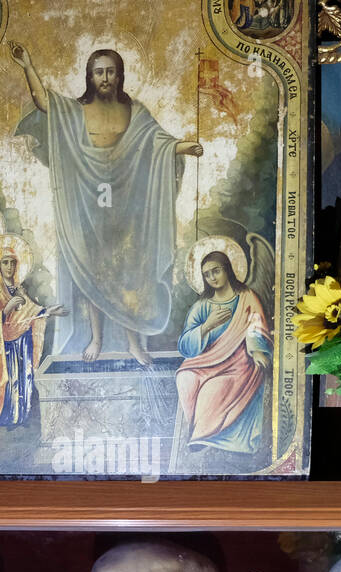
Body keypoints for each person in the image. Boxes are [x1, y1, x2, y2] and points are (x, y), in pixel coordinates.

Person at [10, 43, 204, 365]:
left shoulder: (134, 111)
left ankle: (133, 344)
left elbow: (155, 142)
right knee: (93, 273)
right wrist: (28, 64)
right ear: (90, 76)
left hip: (126, 205)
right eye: (98, 72)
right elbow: (44, 103)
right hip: (88, 204)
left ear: (120, 76)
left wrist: (183, 148)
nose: (105, 77)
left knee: (130, 273)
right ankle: (96, 338)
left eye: (110, 71)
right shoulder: (76, 110)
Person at [176, 251, 271, 454]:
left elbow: (255, 324)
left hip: (239, 362)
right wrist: (206, 326)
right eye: (207, 274)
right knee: (185, 377)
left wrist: (256, 351)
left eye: (216, 271)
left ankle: (202, 436)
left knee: (213, 389)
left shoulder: (246, 297)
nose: (212, 278)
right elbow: (185, 344)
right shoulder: (202, 306)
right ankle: (195, 428)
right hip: (206, 361)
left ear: (227, 269)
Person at [0, 247, 67, 426]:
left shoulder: (19, 290)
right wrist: (7, 309)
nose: (9, 267)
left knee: (25, 377)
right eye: (5, 262)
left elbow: (32, 311)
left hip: (24, 341)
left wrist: (48, 311)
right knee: (11, 379)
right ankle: (9, 417)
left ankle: (23, 414)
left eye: (13, 262)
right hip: (6, 345)